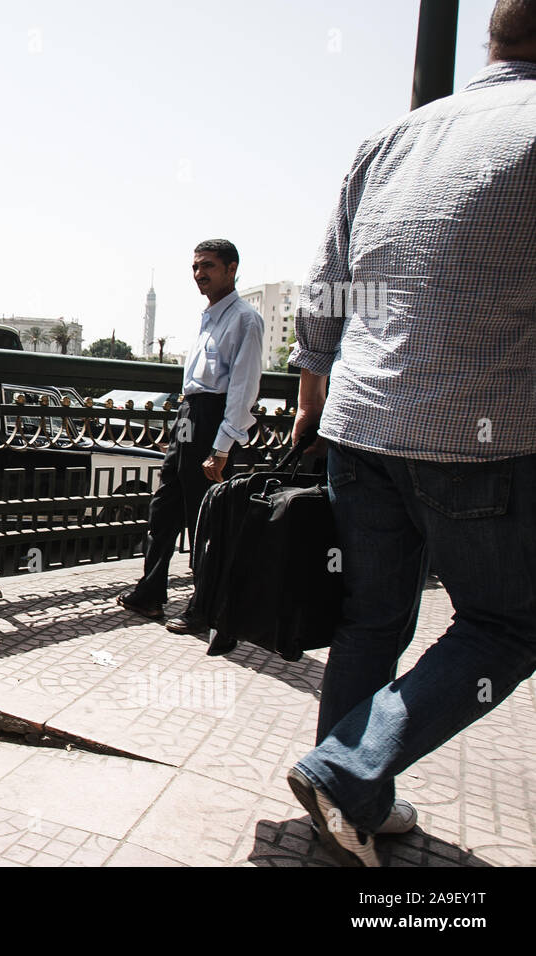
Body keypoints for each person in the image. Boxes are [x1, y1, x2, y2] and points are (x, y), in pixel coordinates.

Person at [285, 0, 536, 867]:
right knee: (508, 624)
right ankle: (345, 773)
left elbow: (327, 286)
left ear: (492, 40)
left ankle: (355, 798)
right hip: (482, 436)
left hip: (360, 425)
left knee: (370, 619)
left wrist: (313, 393)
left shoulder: (393, 140)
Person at [117, 240, 263, 648]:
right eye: (196, 267)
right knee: (164, 510)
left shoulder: (244, 320)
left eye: (209, 267)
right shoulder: (209, 317)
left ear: (231, 269)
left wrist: (222, 447)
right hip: (188, 417)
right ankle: (150, 593)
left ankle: (206, 608)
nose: (200, 274)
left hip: (211, 421)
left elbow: (243, 387)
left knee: (206, 521)